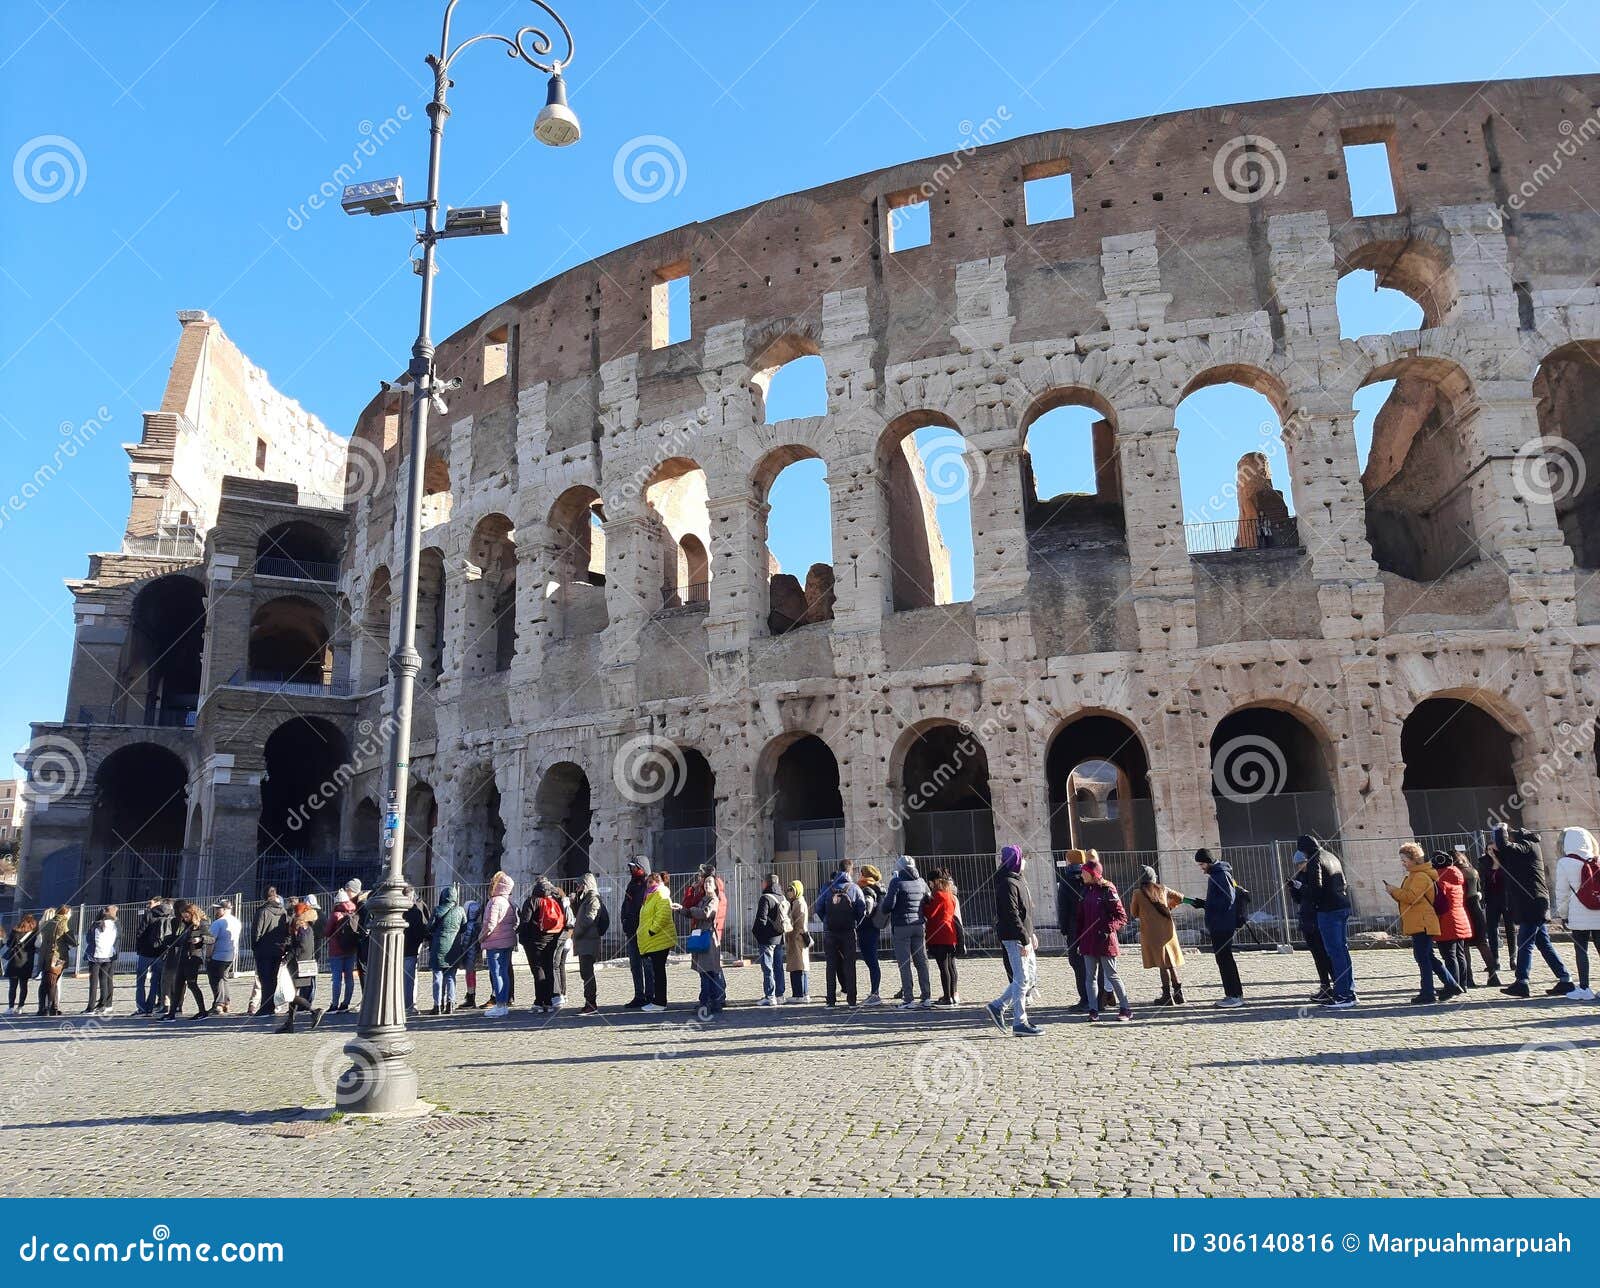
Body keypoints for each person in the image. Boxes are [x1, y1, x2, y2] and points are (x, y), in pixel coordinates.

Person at [1493, 824, 1574, 998]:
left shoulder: (1528, 845)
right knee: (1543, 944)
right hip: (1533, 904)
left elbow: (1506, 847)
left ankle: (1522, 982)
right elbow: (1508, 857)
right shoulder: (1527, 849)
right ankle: (1565, 979)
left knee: (1525, 944)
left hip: (1532, 904)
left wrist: (1500, 829)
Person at [1387, 843, 1462, 1004]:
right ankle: (1451, 984)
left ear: (1414, 859)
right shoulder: (1414, 875)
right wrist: (1395, 893)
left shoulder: (1420, 876)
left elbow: (1412, 897)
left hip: (1423, 922)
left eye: (1404, 859)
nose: (1402, 863)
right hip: (1419, 921)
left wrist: (1394, 891)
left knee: (1422, 957)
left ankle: (1428, 992)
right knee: (1428, 956)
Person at [984, 846, 1041, 1036]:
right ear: (1016, 861)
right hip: (1014, 937)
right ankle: (1019, 1021)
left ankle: (998, 1006)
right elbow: (1012, 914)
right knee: (1021, 978)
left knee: (1029, 977)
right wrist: (1023, 938)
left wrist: (1030, 933)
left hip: (1023, 935)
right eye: (1022, 858)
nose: (1025, 861)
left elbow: (1026, 912)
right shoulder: (1007, 883)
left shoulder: (1018, 880)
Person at [1297, 835, 1356, 1009]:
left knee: (1335, 952)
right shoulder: (1331, 856)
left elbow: (1317, 888)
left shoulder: (1315, 860)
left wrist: (1301, 887)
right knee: (1342, 951)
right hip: (1342, 905)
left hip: (1328, 909)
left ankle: (1343, 995)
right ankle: (1349, 991)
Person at [1185, 849, 1244, 1007]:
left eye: (1202, 864)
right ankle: (1231, 994)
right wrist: (1205, 904)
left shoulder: (1220, 875)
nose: (1201, 867)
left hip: (1223, 925)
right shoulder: (1217, 874)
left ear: (1209, 862)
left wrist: (1207, 904)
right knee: (1223, 960)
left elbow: (1228, 900)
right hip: (1219, 924)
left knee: (1225, 960)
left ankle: (1235, 995)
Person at [1077, 858, 1130, 1020]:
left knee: (1112, 975)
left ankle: (1125, 1008)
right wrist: (1079, 939)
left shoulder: (1108, 889)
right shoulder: (1085, 890)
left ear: (1093, 873)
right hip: (1088, 941)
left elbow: (1122, 916)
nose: (1082, 875)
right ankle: (1093, 1011)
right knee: (1090, 977)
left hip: (1106, 941)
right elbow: (1081, 918)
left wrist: (1108, 929)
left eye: (1084, 872)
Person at [1554, 826, 1600, 1001]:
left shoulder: (1565, 863)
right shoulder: (1597, 859)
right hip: (1598, 910)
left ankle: (1584, 988)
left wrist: (1563, 915)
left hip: (1578, 913)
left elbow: (1562, 892)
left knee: (1581, 950)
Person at [1127, 865, 1184, 1005]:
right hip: (1168, 930)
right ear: (1154, 878)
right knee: (1170, 963)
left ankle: (1167, 996)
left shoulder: (1138, 893)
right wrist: (1169, 906)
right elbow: (1180, 898)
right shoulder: (1163, 889)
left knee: (1162, 964)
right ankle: (1179, 994)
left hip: (1152, 933)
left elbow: (1134, 913)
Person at [882, 855, 932, 1010]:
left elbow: (887, 906)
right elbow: (929, 899)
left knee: (905, 964)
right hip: (919, 925)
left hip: (902, 926)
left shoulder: (896, 882)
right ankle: (926, 996)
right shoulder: (922, 882)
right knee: (921, 962)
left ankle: (909, 998)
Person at [815, 860, 865, 1007]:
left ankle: (831, 1001)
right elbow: (862, 910)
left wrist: (826, 920)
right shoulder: (854, 888)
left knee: (830, 966)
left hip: (830, 932)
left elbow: (818, 907)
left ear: (837, 870)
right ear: (850, 871)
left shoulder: (827, 887)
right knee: (850, 966)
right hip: (849, 932)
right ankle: (852, 1001)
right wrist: (855, 923)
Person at [1288, 852, 1334, 1002]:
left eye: (1302, 863)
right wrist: (1293, 888)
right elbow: (1300, 899)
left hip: (1317, 918)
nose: (1300, 867)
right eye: (1298, 864)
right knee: (1317, 956)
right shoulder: (1301, 876)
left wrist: (1301, 887)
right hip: (1307, 918)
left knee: (1324, 954)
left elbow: (1316, 894)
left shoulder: (1316, 875)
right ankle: (1325, 986)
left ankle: (1336, 984)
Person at [276, 902, 326, 1033]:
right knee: (292, 993)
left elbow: (300, 947)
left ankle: (314, 1011)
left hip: (298, 964)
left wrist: (286, 958)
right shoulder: (308, 927)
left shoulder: (302, 928)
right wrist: (286, 947)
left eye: (296, 912)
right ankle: (289, 1024)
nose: (294, 915)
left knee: (290, 995)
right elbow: (299, 945)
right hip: (301, 963)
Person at [1431, 851, 1475, 993]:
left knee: (1449, 956)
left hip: (1447, 921)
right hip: (1460, 918)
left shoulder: (1440, 882)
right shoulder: (1457, 877)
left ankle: (1453, 985)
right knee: (1459, 954)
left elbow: (1437, 903)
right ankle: (1463, 984)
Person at [163, 901, 214, 1020]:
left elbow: (211, 939)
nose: (184, 918)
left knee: (192, 984)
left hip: (193, 958)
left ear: (193, 914)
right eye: (183, 916)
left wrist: (200, 939)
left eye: (186, 916)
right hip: (183, 957)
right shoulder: (186, 924)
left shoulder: (202, 924)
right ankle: (171, 1014)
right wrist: (168, 940)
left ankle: (202, 1011)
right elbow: (181, 939)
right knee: (177, 985)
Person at [1055, 851, 1091, 1012]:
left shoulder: (1066, 879)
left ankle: (1085, 999)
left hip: (1074, 928)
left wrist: (1064, 928)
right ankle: (1099, 998)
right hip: (1091, 926)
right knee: (1094, 963)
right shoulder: (1089, 877)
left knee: (1078, 964)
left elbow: (1063, 908)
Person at [687, 864, 725, 1017]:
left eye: (710, 882)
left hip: (709, 938)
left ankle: (708, 1003)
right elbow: (695, 912)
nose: (707, 884)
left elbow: (705, 913)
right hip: (703, 936)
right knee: (706, 973)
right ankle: (711, 1003)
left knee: (709, 973)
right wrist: (681, 910)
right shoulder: (704, 898)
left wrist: (690, 911)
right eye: (706, 882)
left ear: (715, 886)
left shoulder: (714, 900)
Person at [480, 870, 519, 1019]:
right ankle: (504, 1002)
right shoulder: (508, 902)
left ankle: (500, 1004)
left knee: (497, 973)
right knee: (504, 972)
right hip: (507, 941)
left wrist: (481, 938)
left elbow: (490, 924)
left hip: (494, 943)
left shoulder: (495, 902)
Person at [636, 870, 676, 1012]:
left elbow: (663, 915)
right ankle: (657, 1000)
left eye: (651, 881)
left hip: (658, 939)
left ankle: (660, 1002)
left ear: (658, 882)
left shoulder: (660, 893)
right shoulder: (650, 895)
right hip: (652, 940)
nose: (648, 884)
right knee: (656, 971)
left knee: (658, 972)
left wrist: (652, 930)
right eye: (647, 882)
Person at [1477, 842, 1515, 986]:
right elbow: (1482, 879)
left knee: (1510, 929)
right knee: (1492, 930)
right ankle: (1495, 960)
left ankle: (1513, 958)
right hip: (1492, 900)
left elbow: (1509, 875)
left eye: (1494, 849)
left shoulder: (1506, 861)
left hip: (1506, 899)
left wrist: (1498, 860)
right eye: (1488, 849)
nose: (1491, 851)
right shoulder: (1483, 862)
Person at [752, 873, 791, 1005]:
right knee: (778, 966)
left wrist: (758, 934)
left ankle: (770, 996)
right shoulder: (782, 897)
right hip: (780, 937)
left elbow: (761, 919)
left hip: (767, 939)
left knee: (767, 967)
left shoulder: (765, 898)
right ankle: (780, 995)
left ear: (766, 883)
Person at [924, 870, 962, 1005]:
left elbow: (931, 913)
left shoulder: (937, 895)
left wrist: (924, 905)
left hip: (939, 935)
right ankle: (953, 994)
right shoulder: (950, 895)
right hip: (950, 934)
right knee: (951, 966)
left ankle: (947, 996)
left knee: (943, 967)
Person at [250, 889, 290, 1019]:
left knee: (264, 979)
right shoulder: (283, 912)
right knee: (272, 979)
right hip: (278, 949)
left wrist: (255, 948)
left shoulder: (262, 911)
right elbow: (286, 931)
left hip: (263, 950)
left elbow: (256, 933)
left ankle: (264, 1007)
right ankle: (270, 1006)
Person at [570, 872, 605, 1016]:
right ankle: (588, 1002)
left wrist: (576, 932)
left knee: (587, 973)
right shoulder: (585, 899)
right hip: (584, 940)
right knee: (585, 973)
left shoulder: (593, 899)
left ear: (586, 885)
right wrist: (575, 902)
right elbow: (580, 915)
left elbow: (589, 918)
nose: (577, 887)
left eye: (579, 884)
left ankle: (591, 1004)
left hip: (589, 941)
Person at [326, 881, 364, 1013]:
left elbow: (327, 932)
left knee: (336, 978)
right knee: (349, 977)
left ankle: (334, 1004)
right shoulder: (354, 911)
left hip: (336, 951)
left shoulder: (336, 914)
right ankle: (346, 1003)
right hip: (351, 949)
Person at [428, 885, 466, 1015]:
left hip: (439, 945)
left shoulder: (438, 910)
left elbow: (430, 927)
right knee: (450, 976)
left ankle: (437, 1005)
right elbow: (464, 927)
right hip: (454, 946)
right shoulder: (460, 911)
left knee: (437, 976)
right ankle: (450, 1003)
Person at [1454, 844, 1488, 987]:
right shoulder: (1473, 871)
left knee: (1464, 946)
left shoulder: (1457, 875)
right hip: (1477, 909)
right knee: (1482, 944)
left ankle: (1469, 978)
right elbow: (1479, 890)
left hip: (1465, 910)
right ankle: (1493, 975)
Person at [620, 857, 652, 1009]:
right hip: (631, 931)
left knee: (647, 965)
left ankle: (650, 996)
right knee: (635, 965)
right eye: (632, 868)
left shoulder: (649, 885)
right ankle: (639, 995)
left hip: (645, 932)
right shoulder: (632, 884)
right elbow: (625, 905)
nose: (633, 870)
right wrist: (624, 921)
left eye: (636, 867)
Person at [134, 897, 173, 1018]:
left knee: (140, 981)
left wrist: (140, 947)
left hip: (145, 952)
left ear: (158, 903)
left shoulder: (149, 914)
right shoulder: (170, 915)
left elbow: (140, 932)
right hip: (160, 952)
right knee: (155, 982)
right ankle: (151, 1007)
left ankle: (142, 1008)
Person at [36, 906, 76, 1018]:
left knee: (45, 982)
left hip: (44, 955)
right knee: (53, 982)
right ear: (66, 913)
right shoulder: (62, 923)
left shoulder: (46, 923)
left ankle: (41, 1008)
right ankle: (52, 1008)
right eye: (69, 914)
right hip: (57, 957)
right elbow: (72, 941)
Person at [855, 863, 885, 1004]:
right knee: (871, 961)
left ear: (865, 875)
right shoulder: (876, 887)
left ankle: (875, 994)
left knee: (871, 961)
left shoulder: (867, 889)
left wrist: (859, 916)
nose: (859, 875)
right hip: (872, 928)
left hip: (866, 928)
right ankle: (874, 992)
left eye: (861, 873)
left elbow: (867, 909)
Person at [206, 899, 240, 1015]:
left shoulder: (218, 923)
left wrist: (208, 956)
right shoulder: (236, 921)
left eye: (218, 908)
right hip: (231, 954)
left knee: (216, 980)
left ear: (225, 909)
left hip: (218, 955)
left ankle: (219, 1004)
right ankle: (226, 1003)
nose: (216, 910)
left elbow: (211, 941)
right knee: (224, 979)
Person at [85, 905, 119, 1014]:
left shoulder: (95, 925)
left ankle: (90, 1007)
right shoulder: (114, 925)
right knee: (104, 980)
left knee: (93, 982)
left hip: (96, 955)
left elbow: (89, 939)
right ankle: (103, 1004)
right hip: (108, 955)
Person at [402, 887, 431, 1015]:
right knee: (409, 978)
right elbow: (424, 926)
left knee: (405, 977)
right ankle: (408, 1005)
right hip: (411, 948)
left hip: (405, 947)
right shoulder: (415, 910)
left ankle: (405, 1004)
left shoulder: (399, 909)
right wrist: (425, 939)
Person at [784, 880, 811, 1002]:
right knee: (802, 965)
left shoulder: (798, 903)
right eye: (788, 889)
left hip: (796, 937)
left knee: (797, 967)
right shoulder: (798, 901)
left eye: (791, 889)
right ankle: (804, 993)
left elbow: (795, 922)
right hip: (799, 936)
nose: (788, 892)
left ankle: (798, 994)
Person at [6, 914, 39, 1015]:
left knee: (12, 986)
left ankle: (11, 1007)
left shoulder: (15, 932)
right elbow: (36, 947)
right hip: (26, 962)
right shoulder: (34, 934)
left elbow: (8, 944)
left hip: (14, 961)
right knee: (23, 986)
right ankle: (20, 1007)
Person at [461, 898, 483, 1008]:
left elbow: (465, 941)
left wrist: (461, 953)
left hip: (469, 954)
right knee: (472, 975)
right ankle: (471, 996)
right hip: (476, 954)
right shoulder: (478, 925)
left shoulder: (468, 925)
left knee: (469, 975)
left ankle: (471, 997)